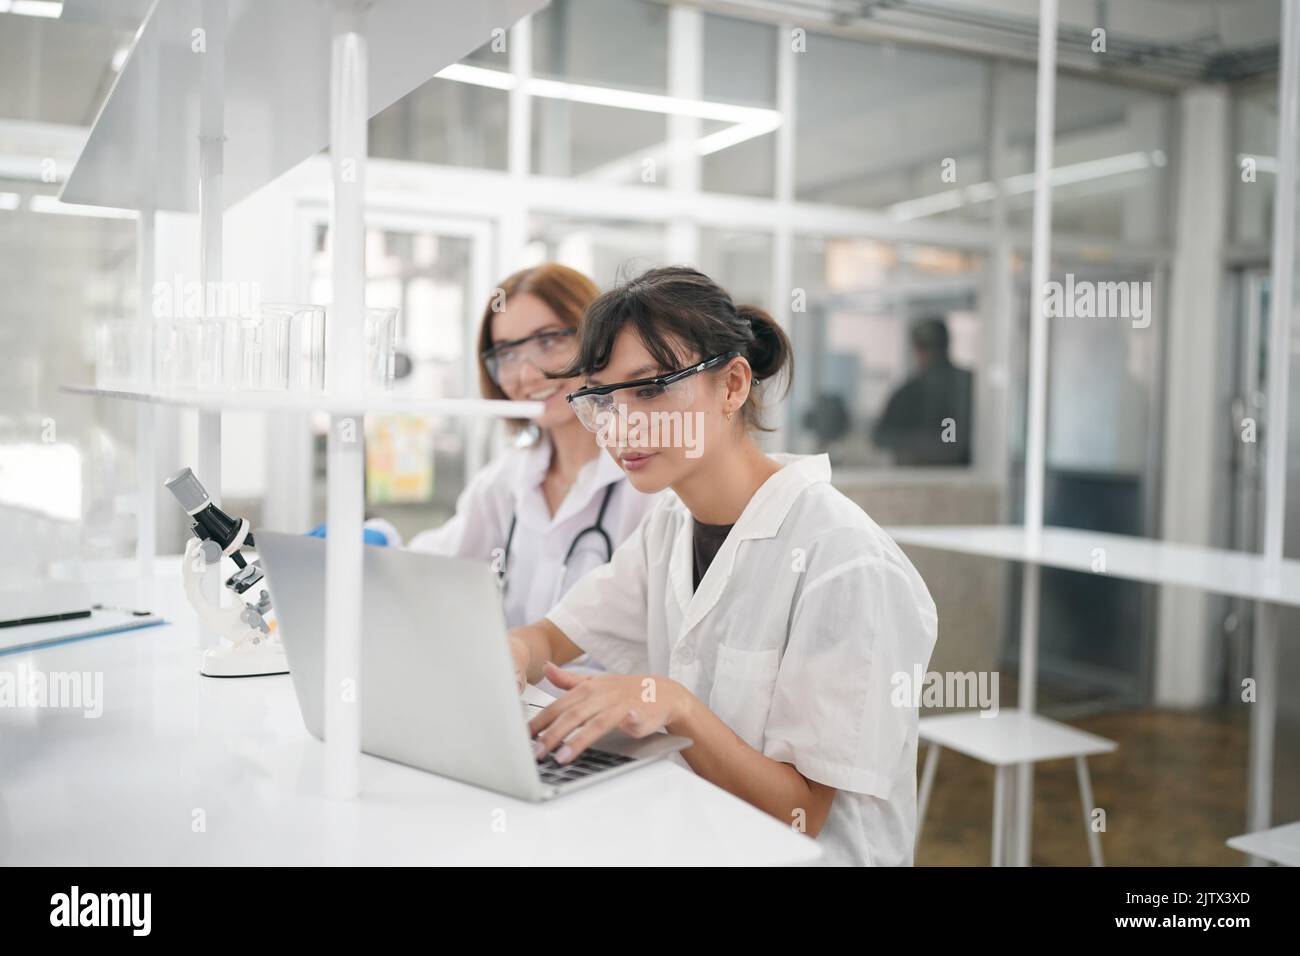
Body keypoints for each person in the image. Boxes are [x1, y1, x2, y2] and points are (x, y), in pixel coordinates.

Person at [508, 266, 938, 865]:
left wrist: (675, 704)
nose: (619, 425)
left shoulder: (844, 561)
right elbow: (551, 636)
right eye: (602, 399)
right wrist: (513, 654)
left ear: (733, 385)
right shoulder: (670, 524)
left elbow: (802, 812)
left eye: (651, 389)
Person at [403, 263, 656, 631]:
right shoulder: (506, 480)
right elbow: (440, 560)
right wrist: (371, 544)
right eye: (506, 354)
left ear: (598, 339)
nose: (527, 375)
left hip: (610, 690)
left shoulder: (650, 481)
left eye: (548, 341)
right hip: (516, 686)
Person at [872, 316, 974, 465]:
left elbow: (880, 437)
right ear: (947, 344)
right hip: (963, 477)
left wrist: (923, 444)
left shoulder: (908, 391)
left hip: (921, 477)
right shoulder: (970, 384)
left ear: (916, 349)